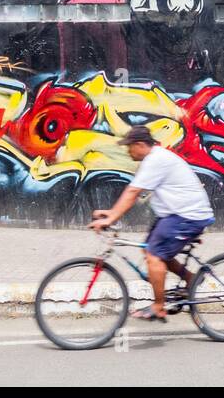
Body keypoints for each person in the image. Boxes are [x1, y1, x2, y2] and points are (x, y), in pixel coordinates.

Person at [90, 125, 215, 321]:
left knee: (154, 256)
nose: (128, 151)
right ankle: (191, 280)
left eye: (129, 147)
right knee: (150, 249)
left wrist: (112, 218)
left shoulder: (156, 160)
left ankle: (158, 307)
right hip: (175, 214)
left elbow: (133, 192)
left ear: (140, 145)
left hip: (187, 215)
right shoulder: (155, 158)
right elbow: (133, 191)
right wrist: (111, 213)